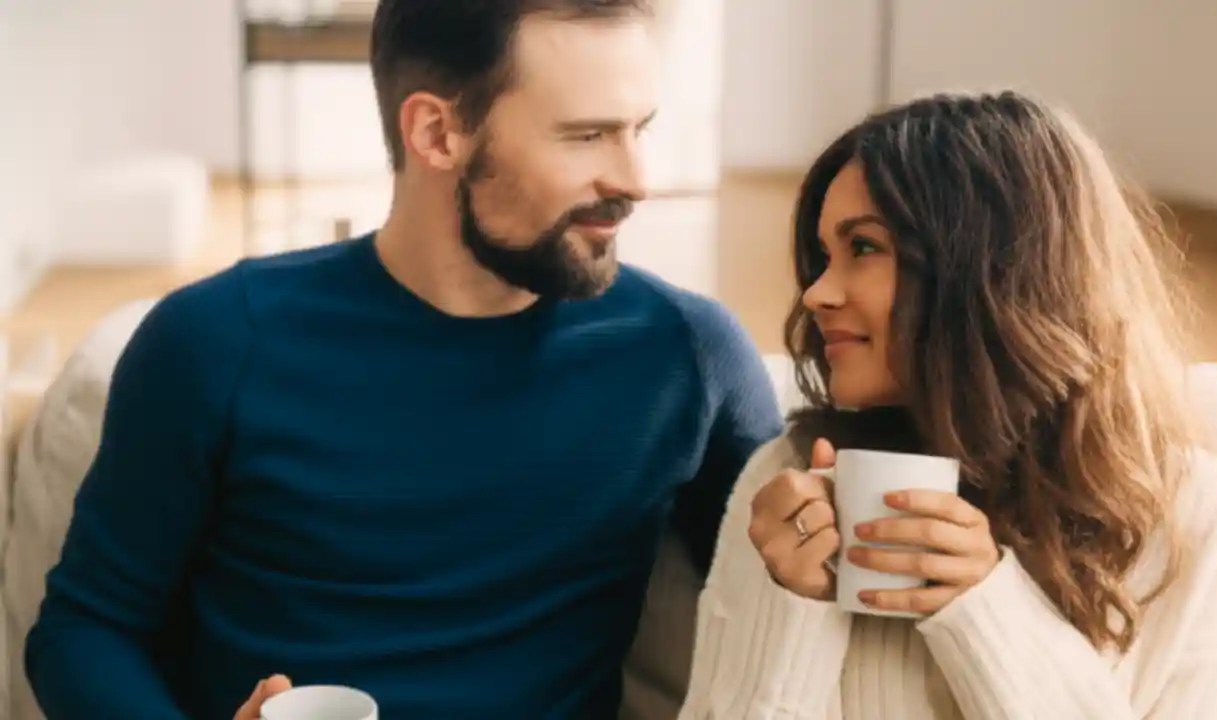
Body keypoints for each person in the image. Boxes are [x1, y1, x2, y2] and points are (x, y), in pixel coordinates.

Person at [24, 1, 782, 718]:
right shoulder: (216, 341)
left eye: (639, 129)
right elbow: (85, 629)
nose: (636, 180)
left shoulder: (687, 357)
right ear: (435, 133)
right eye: (586, 136)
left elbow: (794, 597)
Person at [679, 91, 1217, 718]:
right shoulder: (793, 481)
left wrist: (985, 609)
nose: (817, 294)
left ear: (989, 276)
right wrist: (792, 606)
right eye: (823, 255)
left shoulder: (1204, 525)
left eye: (863, 248)